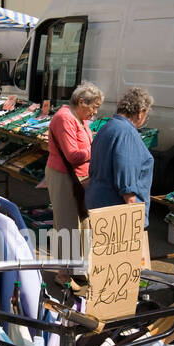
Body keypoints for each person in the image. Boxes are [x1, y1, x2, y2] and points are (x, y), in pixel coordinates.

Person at [85, 86, 155, 225]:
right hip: (115, 214)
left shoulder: (108, 126)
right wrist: (133, 220)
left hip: (98, 205)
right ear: (140, 113)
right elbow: (126, 182)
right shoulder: (126, 133)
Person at [45, 83, 103, 235]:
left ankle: (78, 258)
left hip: (79, 178)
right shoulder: (64, 118)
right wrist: (96, 148)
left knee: (81, 224)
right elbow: (73, 156)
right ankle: (68, 259)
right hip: (65, 177)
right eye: (94, 107)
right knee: (68, 226)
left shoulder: (80, 118)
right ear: (81, 101)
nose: (95, 112)